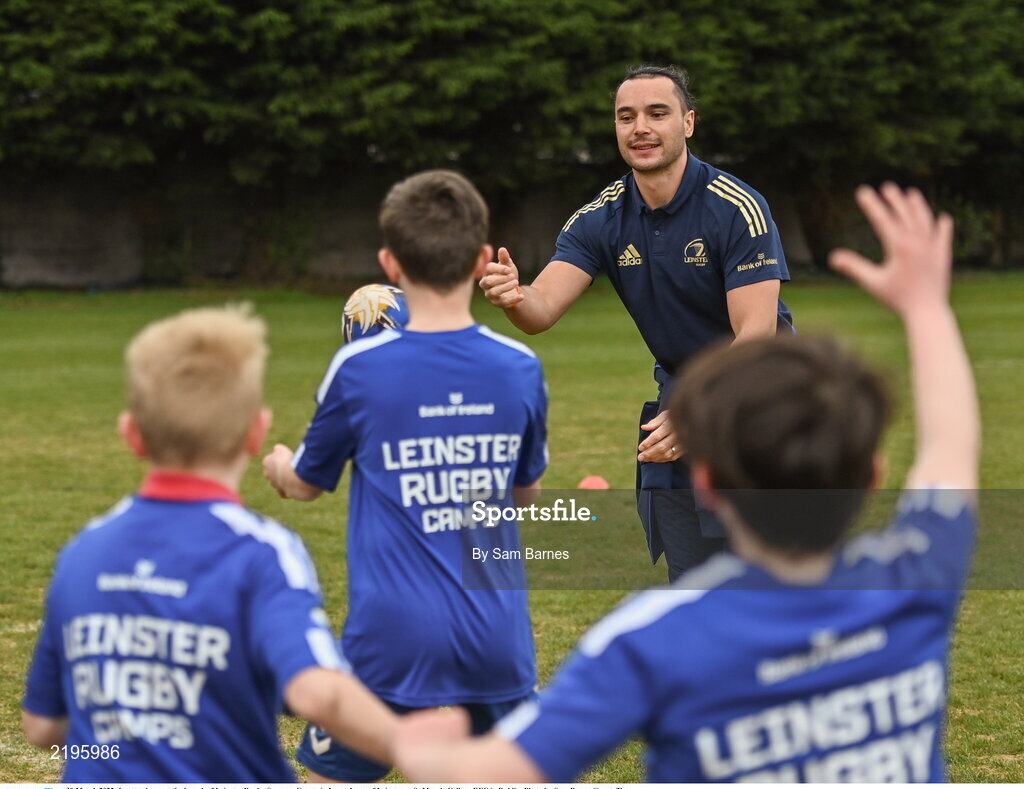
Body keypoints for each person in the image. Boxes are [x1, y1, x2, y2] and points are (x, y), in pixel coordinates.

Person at [392, 183, 978, 782]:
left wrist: (413, 741)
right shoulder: (915, 581)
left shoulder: (649, 642)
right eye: (626, 115)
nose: (640, 127)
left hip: (733, 399)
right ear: (872, 477)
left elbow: (502, 769)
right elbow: (952, 453)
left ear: (707, 483)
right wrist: (927, 308)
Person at [21, 305, 397, 782]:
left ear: (131, 435)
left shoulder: (81, 553)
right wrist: (415, 743)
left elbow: (41, 724)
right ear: (255, 432)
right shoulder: (264, 554)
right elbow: (318, 693)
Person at [263, 169, 548, 783]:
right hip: (494, 629)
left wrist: (278, 462)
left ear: (389, 264)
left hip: (391, 636)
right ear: (479, 261)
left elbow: (306, 483)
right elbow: (525, 495)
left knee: (331, 773)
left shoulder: (358, 368)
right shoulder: (519, 366)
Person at [481, 64, 794, 580]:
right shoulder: (601, 218)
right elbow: (540, 310)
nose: (640, 128)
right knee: (692, 580)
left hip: (760, 393)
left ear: (688, 123)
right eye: (626, 117)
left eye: (657, 113)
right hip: (680, 396)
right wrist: (514, 296)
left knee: (767, 575)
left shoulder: (738, 208)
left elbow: (755, 335)